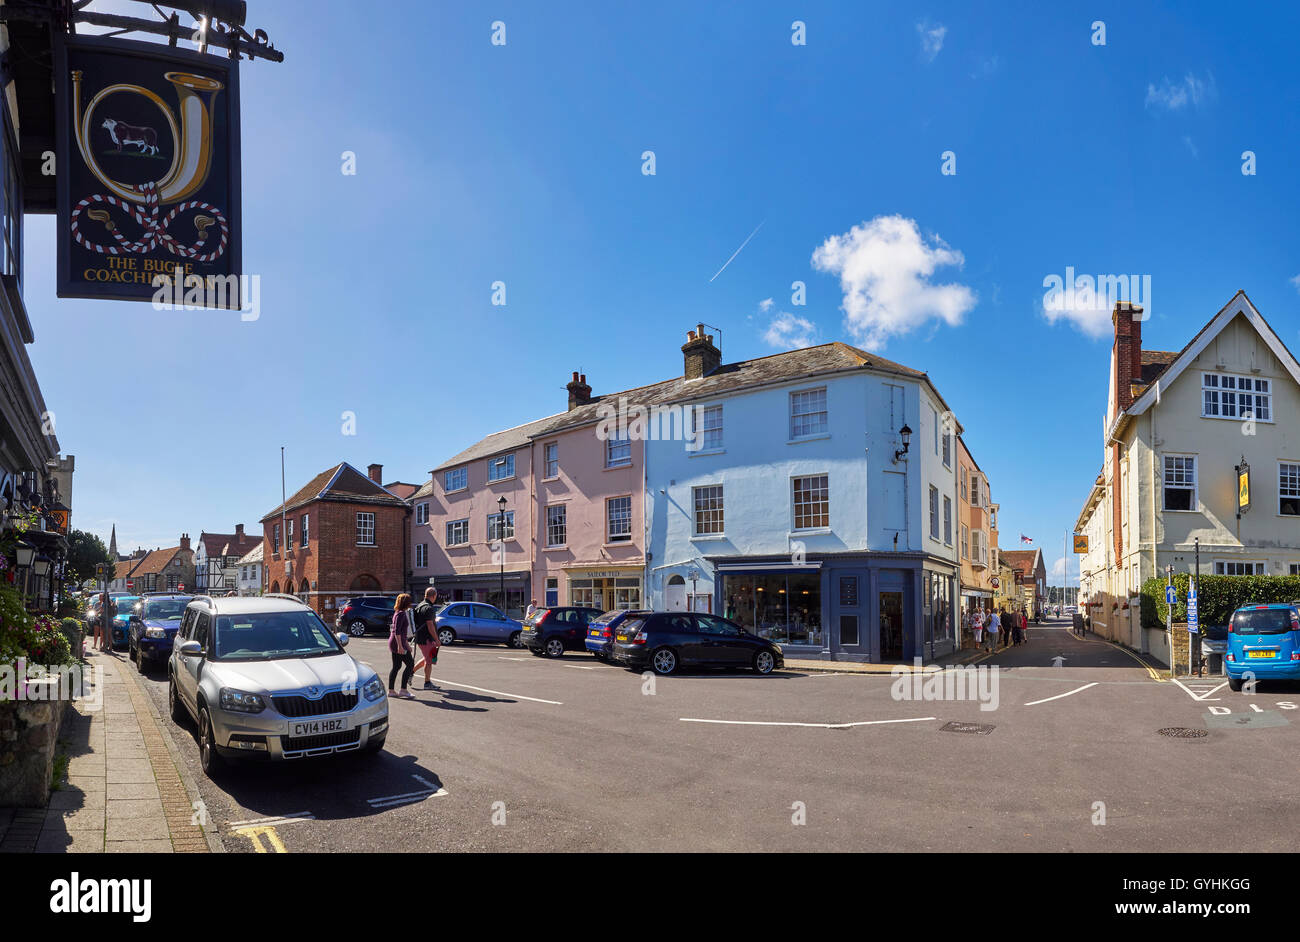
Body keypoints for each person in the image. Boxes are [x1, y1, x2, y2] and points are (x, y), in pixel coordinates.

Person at [411, 588, 441, 689]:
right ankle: (427, 683)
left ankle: (411, 672)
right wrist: (436, 639)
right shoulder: (429, 608)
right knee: (429, 661)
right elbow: (430, 625)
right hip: (428, 639)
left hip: (421, 638)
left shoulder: (420, 606)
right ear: (434, 596)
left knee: (428, 658)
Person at [388, 593, 416, 699]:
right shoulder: (401, 614)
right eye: (409, 601)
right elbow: (397, 632)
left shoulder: (398, 612)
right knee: (410, 664)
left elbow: (401, 633)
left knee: (396, 666)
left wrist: (406, 645)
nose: (411, 603)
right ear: (406, 603)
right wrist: (401, 646)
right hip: (397, 643)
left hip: (397, 643)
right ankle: (403, 690)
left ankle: (391, 690)